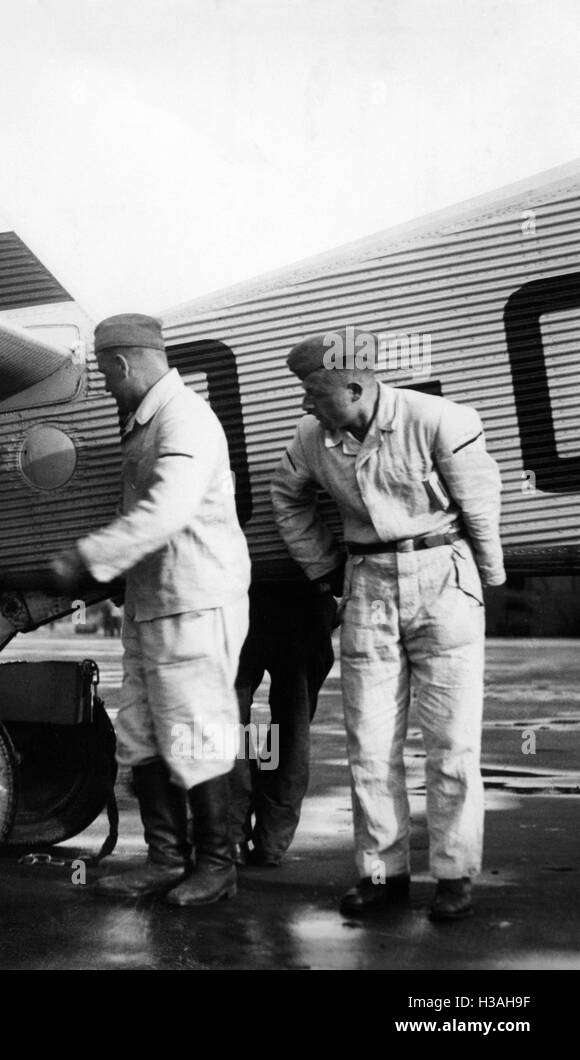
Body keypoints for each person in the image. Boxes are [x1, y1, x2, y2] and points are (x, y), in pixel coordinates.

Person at [269, 332, 504, 921]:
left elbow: (479, 501)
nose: (305, 406)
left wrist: (487, 577)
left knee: (452, 745)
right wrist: (325, 569)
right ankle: (382, 874)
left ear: (356, 387)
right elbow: (286, 496)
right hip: (366, 581)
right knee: (370, 748)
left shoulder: (438, 419)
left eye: (314, 394)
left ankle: (454, 875)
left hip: (443, 577)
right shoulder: (312, 437)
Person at [50, 313, 251, 906]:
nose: (107, 387)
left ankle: (217, 865)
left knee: (195, 732)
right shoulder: (150, 418)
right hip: (153, 602)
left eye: (106, 376)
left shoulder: (184, 418)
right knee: (141, 733)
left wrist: (87, 558)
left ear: (122, 364)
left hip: (193, 602)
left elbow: (167, 511)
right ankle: (166, 858)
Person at [228, 577, 336, 868]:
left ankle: (231, 835)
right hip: (304, 595)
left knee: (230, 722)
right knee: (291, 726)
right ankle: (271, 840)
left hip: (233, 596)